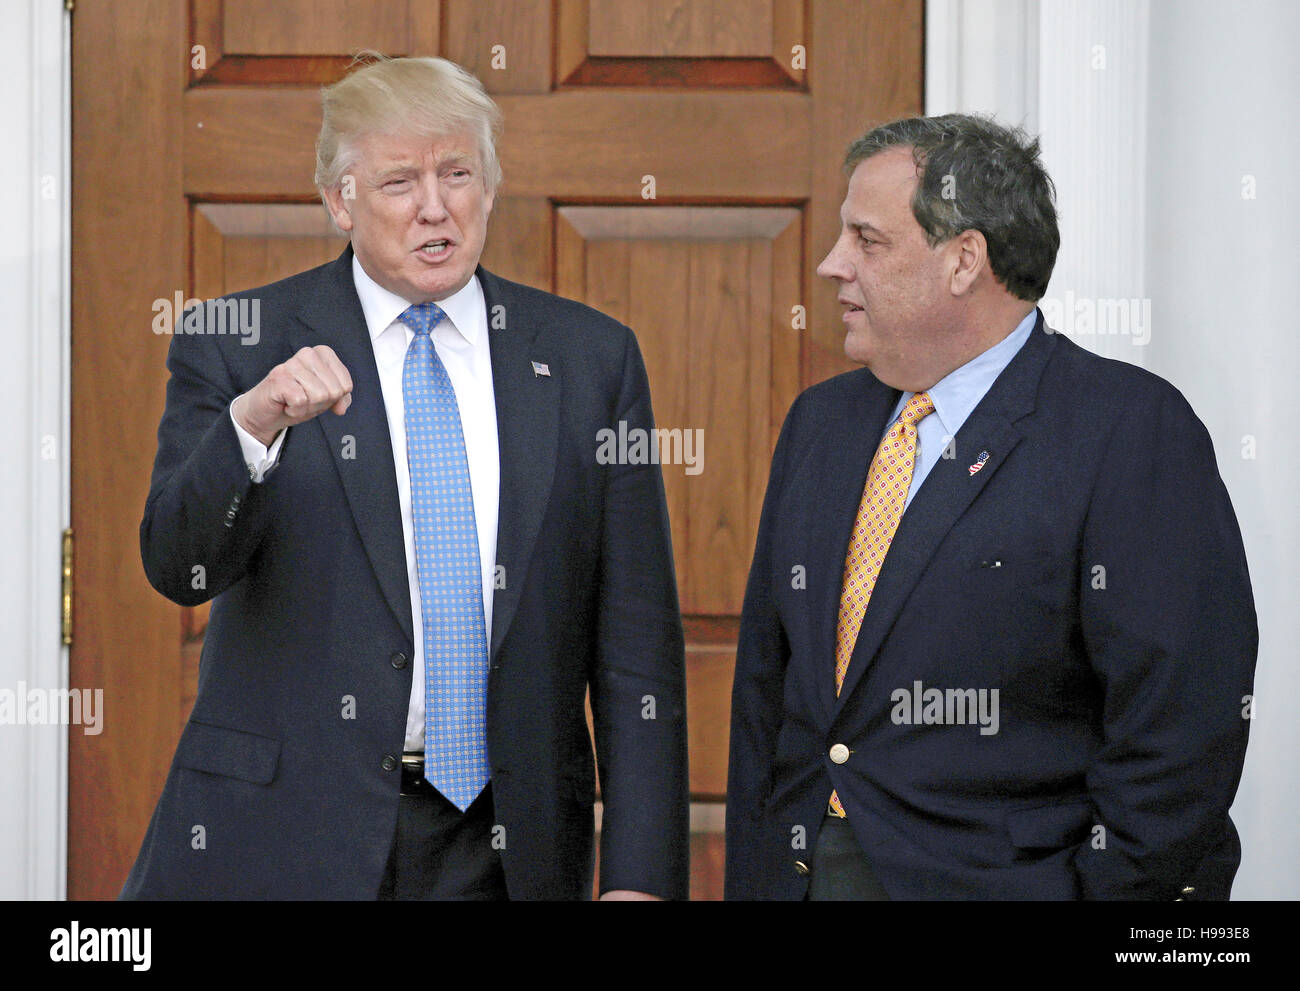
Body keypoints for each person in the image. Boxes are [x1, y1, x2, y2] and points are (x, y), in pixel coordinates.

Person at [123, 55, 688, 900]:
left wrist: (640, 878)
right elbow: (178, 565)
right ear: (339, 201)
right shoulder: (242, 345)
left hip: (505, 844)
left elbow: (636, 644)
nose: (436, 206)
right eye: (399, 181)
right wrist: (254, 424)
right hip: (288, 836)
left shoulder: (588, 361)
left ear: (489, 188)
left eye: (457, 173)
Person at [725, 113, 1257, 900]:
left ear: (964, 259)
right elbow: (766, 699)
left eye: (867, 241)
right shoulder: (821, 424)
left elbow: (1178, 734)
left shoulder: (1127, 430)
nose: (832, 264)